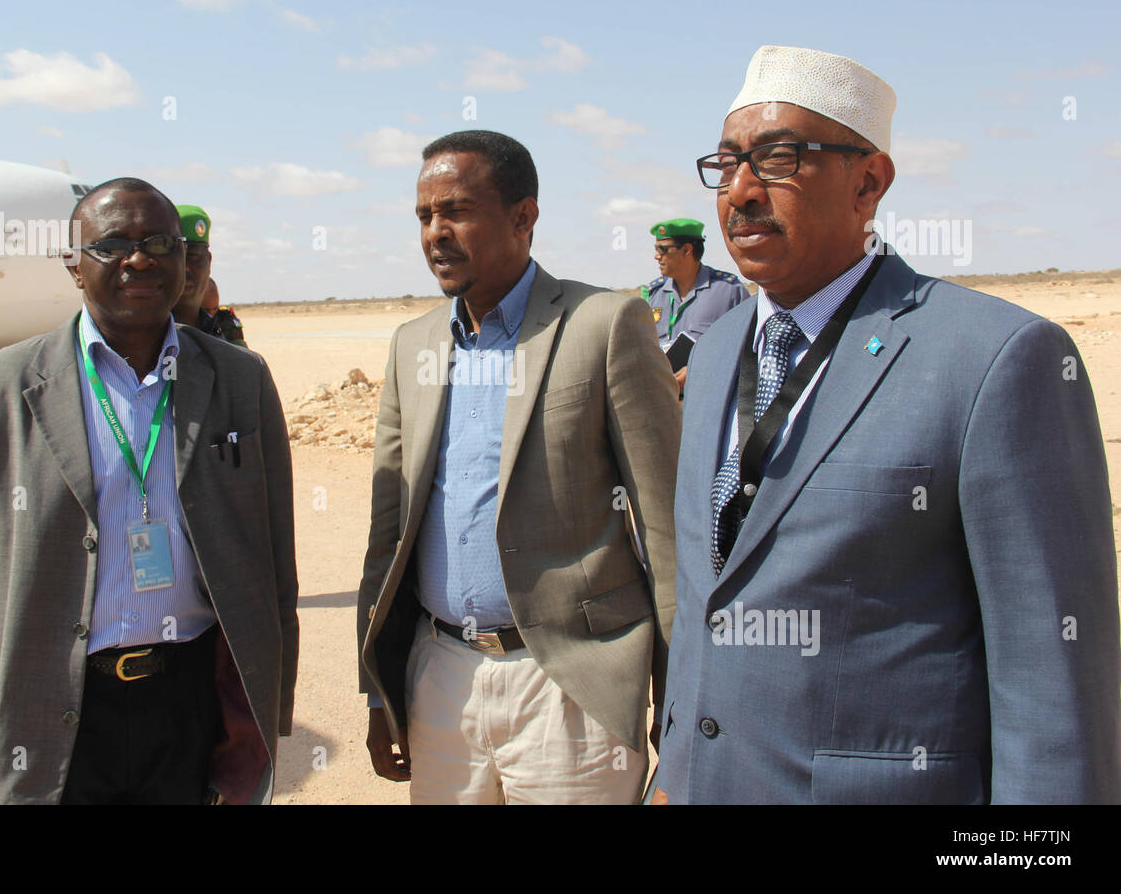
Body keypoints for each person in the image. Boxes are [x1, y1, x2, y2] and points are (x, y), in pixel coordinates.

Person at [653, 45, 1120, 803]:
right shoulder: (712, 361)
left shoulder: (996, 360)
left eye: (778, 159)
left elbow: (1053, 681)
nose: (740, 191)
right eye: (727, 163)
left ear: (868, 181)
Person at [0, 177, 298, 804]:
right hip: (54, 711)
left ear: (187, 261)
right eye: (111, 245)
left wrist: (266, 708)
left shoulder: (240, 378)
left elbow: (274, 560)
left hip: (192, 706)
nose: (140, 258)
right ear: (74, 264)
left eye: (160, 242)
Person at [358, 130, 681, 804]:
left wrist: (681, 699)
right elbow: (387, 536)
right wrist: (378, 689)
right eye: (424, 217)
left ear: (523, 216)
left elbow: (666, 527)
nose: (436, 234)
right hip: (441, 678)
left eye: (456, 211)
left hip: (571, 686)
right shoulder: (412, 347)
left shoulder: (605, 324)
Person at [642, 219, 747, 391]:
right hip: (662, 396)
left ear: (686, 250)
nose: (657, 256)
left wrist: (700, 369)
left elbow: (746, 349)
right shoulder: (653, 294)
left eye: (663, 249)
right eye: (656, 250)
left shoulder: (729, 291)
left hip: (707, 394)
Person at [172, 205, 248, 347]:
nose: (185, 268)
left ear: (209, 261)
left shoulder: (220, 330)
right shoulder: (135, 335)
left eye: (194, 257)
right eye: (176, 258)